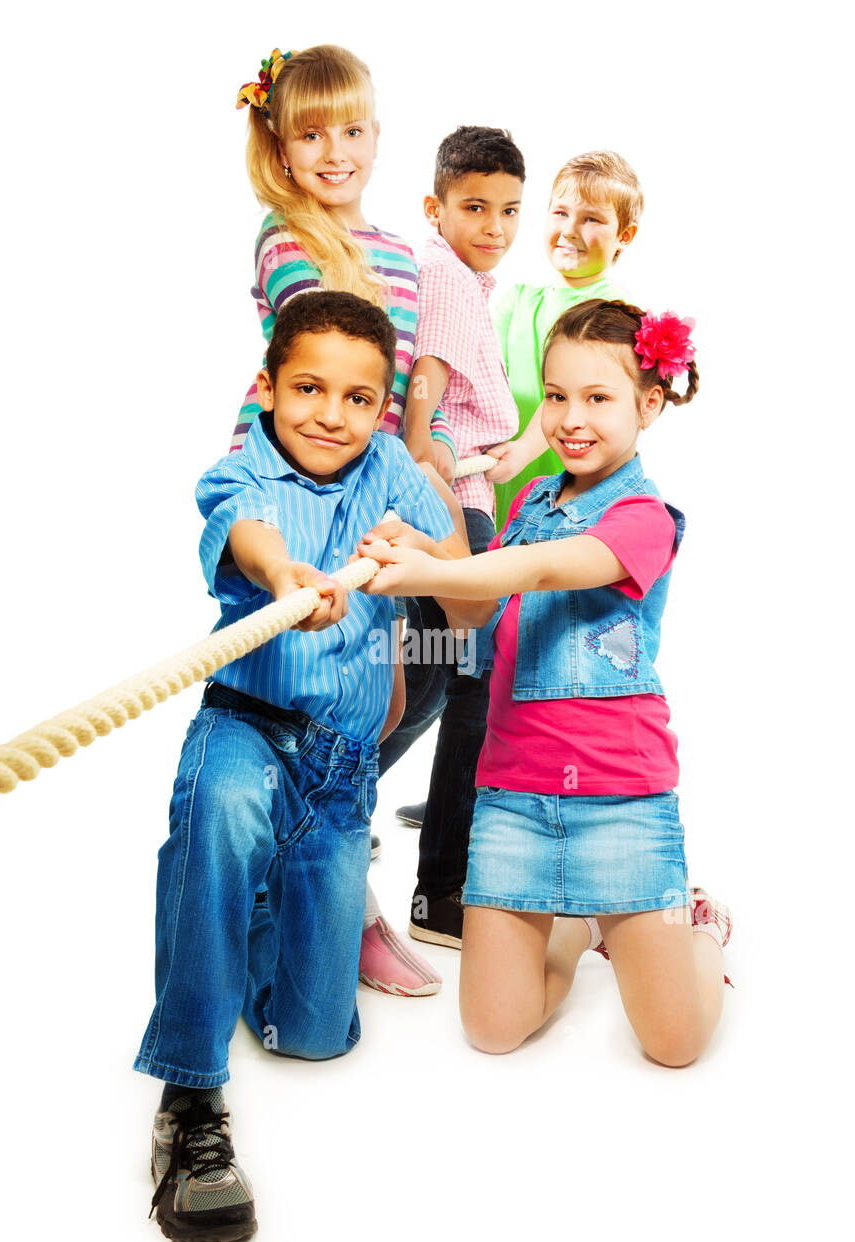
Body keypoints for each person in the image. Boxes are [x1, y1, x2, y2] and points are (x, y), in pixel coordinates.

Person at [136, 291, 459, 1242]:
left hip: (343, 771)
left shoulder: (391, 464)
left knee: (315, 1035)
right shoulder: (239, 475)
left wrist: (425, 555)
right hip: (248, 724)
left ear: (382, 405)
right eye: (309, 388)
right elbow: (254, 537)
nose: (332, 414)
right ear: (268, 389)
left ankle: (258, 909)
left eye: (360, 398)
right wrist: (288, 582)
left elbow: (460, 572)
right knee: (224, 815)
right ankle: (188, 1101)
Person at [360, 298, 732, 1065]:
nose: (571, 418)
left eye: (599, 398)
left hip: (620, 802)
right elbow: (475, 607)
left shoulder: (643, 516)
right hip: (512, 803)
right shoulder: (529, 502)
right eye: (557, 396)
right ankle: (582, 923)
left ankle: (693, 927)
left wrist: (438, 562)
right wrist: (421, 549)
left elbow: (545, 567)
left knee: (674, 1045)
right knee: (493, 1029)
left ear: (649, 403)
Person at [234, 42, 467, 994]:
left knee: (433, 672)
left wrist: (434, 453)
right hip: (308, 477)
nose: (336, 151)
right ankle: (326, 882)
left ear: (378, 134)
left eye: (354, 130)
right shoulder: (286, 235)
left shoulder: (399, 257)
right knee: (345, 687)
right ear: (283, 150)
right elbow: (333, 364)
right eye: (312, 134)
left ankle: (327, 847)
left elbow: (406, 381)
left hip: (384, 470)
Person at [380, 125, 524, 950]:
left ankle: (352, 821)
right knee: (450, 685)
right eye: (474, 207)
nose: (493, 225)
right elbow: (425, 387)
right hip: (452, 500)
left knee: (440, 683)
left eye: (508, 209)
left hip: (470, 492)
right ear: (437, 207)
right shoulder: (443, 272)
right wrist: (430, 479)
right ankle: (441, 890)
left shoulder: (469, 278)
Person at [486, 151, 643, 526]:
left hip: (570, 488)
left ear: (624, 235)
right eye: (560, 213)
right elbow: (483, 374)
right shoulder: (518, 299)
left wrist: (525, 448)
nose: (571, 229)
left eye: (591, 218)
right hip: (501, 475)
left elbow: (573, 393)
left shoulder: (613, 308)